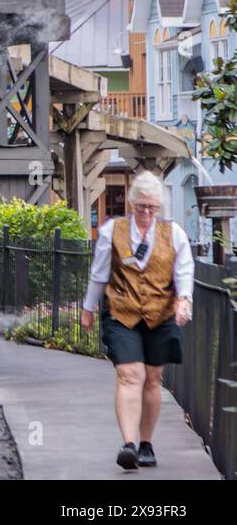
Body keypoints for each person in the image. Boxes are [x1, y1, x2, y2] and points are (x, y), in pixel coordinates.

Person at [80, 170, 194, 470]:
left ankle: (146, 443)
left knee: (153, 379)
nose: (146, 212)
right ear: (131, 204)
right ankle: (128, 444)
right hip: (122, 311)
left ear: (159, 209)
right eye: (141, 206)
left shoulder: (174, 233)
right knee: (130, 374)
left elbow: (184, 271)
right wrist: (88, 308)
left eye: (152, 208)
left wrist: (184, 300)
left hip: (161, 312)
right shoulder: (111, 230)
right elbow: (99, 272)